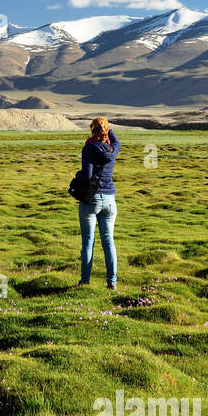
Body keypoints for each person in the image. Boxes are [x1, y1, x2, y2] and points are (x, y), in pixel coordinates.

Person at [77, 116, 119, 289]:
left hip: (92, 199)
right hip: (110, 199)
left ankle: (85, 281)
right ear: (106, 131)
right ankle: (112, 282)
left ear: (91, 130)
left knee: (88, 241)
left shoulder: (88, 148)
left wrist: (78, 176)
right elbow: (116, 141)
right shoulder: (112, 149)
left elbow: (87, 176)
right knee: (108, 242)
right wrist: (108, 129)